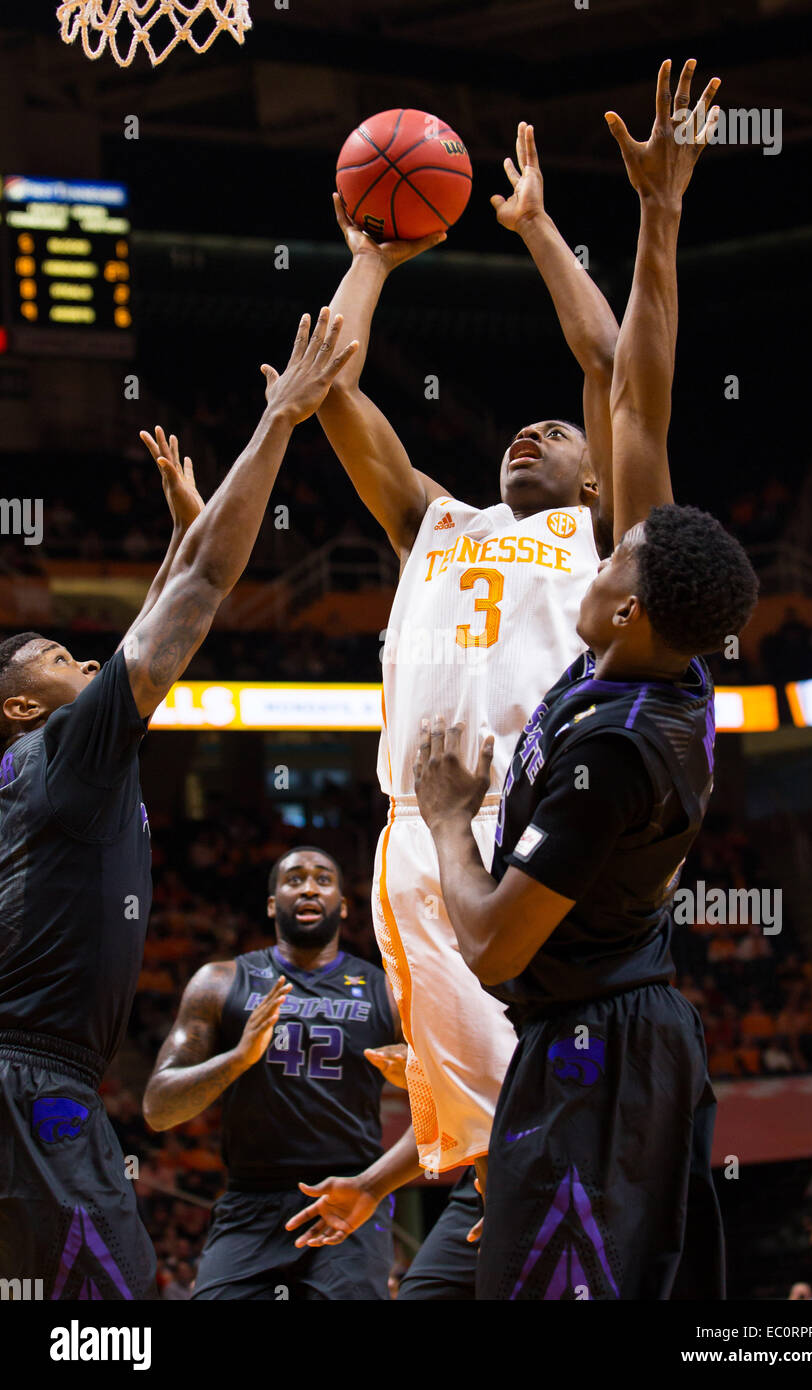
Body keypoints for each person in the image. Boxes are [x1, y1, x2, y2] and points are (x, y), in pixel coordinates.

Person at [413, 61, 759, 1299]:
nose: (603, 538)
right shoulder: (652, 656)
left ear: (626, 601)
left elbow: (500, 947)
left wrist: (452, 821)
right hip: (609, 1030)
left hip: (593, 1048)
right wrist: (649, 218)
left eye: (611, 547)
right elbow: (633, 387)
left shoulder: (617, 744)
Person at [0, 309, 359, 1299]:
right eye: (49, 655)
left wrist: (181, 528)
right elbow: (199, 591)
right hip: (35, 1083)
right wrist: (281, 417)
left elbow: (162, 605)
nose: (78, 653)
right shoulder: (64, 747)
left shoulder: (50, 760)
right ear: (19, 705)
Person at [319, 115, 625, 1189]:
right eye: (521, 428)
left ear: (595, 476)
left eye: (558, 433)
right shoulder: (433, 519)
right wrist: (367, 262)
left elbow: (607, 360)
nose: (529, 435)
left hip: (530, 816)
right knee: (495, 1148)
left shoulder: (597, 533)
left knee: (550, 1098)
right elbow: (329, 391)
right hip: (415, 823)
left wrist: (536, 229)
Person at [143, 847, 419, 1300]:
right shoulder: (219, 981)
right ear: (272, 903)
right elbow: (158, 1108)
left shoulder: (389, 991)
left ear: (344, 905)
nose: (309, 887)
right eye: (294, 879)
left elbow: (445, 1104)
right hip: (249, 1203)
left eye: (323, 879)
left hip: (348, 1199)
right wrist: (237, 1059)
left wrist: (413, 1080)